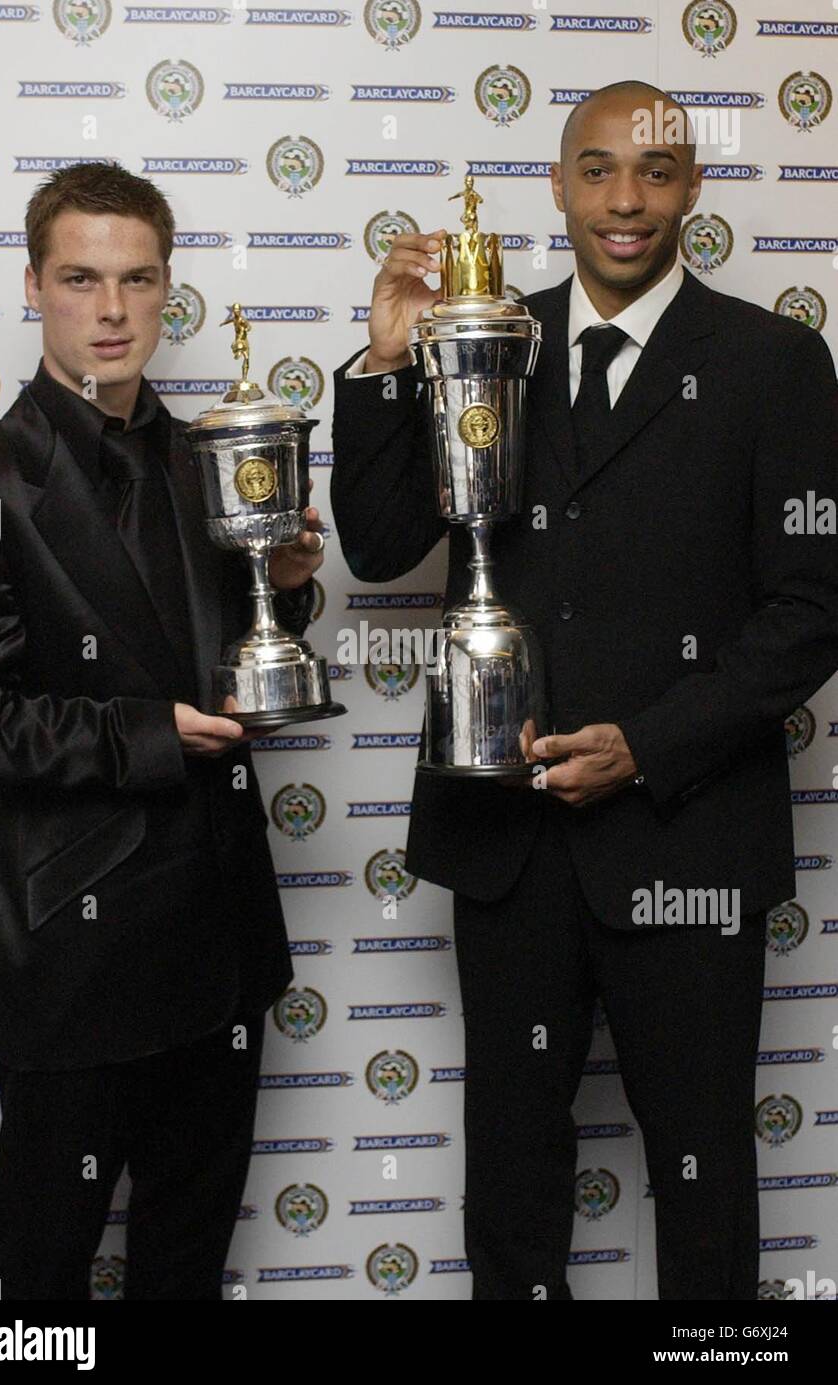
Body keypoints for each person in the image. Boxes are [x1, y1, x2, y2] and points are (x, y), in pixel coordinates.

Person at [331, 82, 838, 1300]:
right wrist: (391, 362)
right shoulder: (485, 340)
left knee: (707, 1174)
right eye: (598, 169)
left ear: (692, 190)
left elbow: (812, 608)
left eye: (656, 173)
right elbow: (381, 541)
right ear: (557, 184)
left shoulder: (774, 361)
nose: (626, 200)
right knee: (511, 1170)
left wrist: (649, 746)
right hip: (509, 840)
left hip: (689, 830)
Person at [0, 161, 324, 1300]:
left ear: (168, 291)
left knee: (184, 1270)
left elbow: (219, 662)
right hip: (75, 953)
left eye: (136, 279)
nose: (110, 309)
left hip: (217, 939)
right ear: (33, 286)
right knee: (43, 1289)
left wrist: (286, 592)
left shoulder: (212, 462)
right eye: (80, 278)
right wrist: (148, 735)